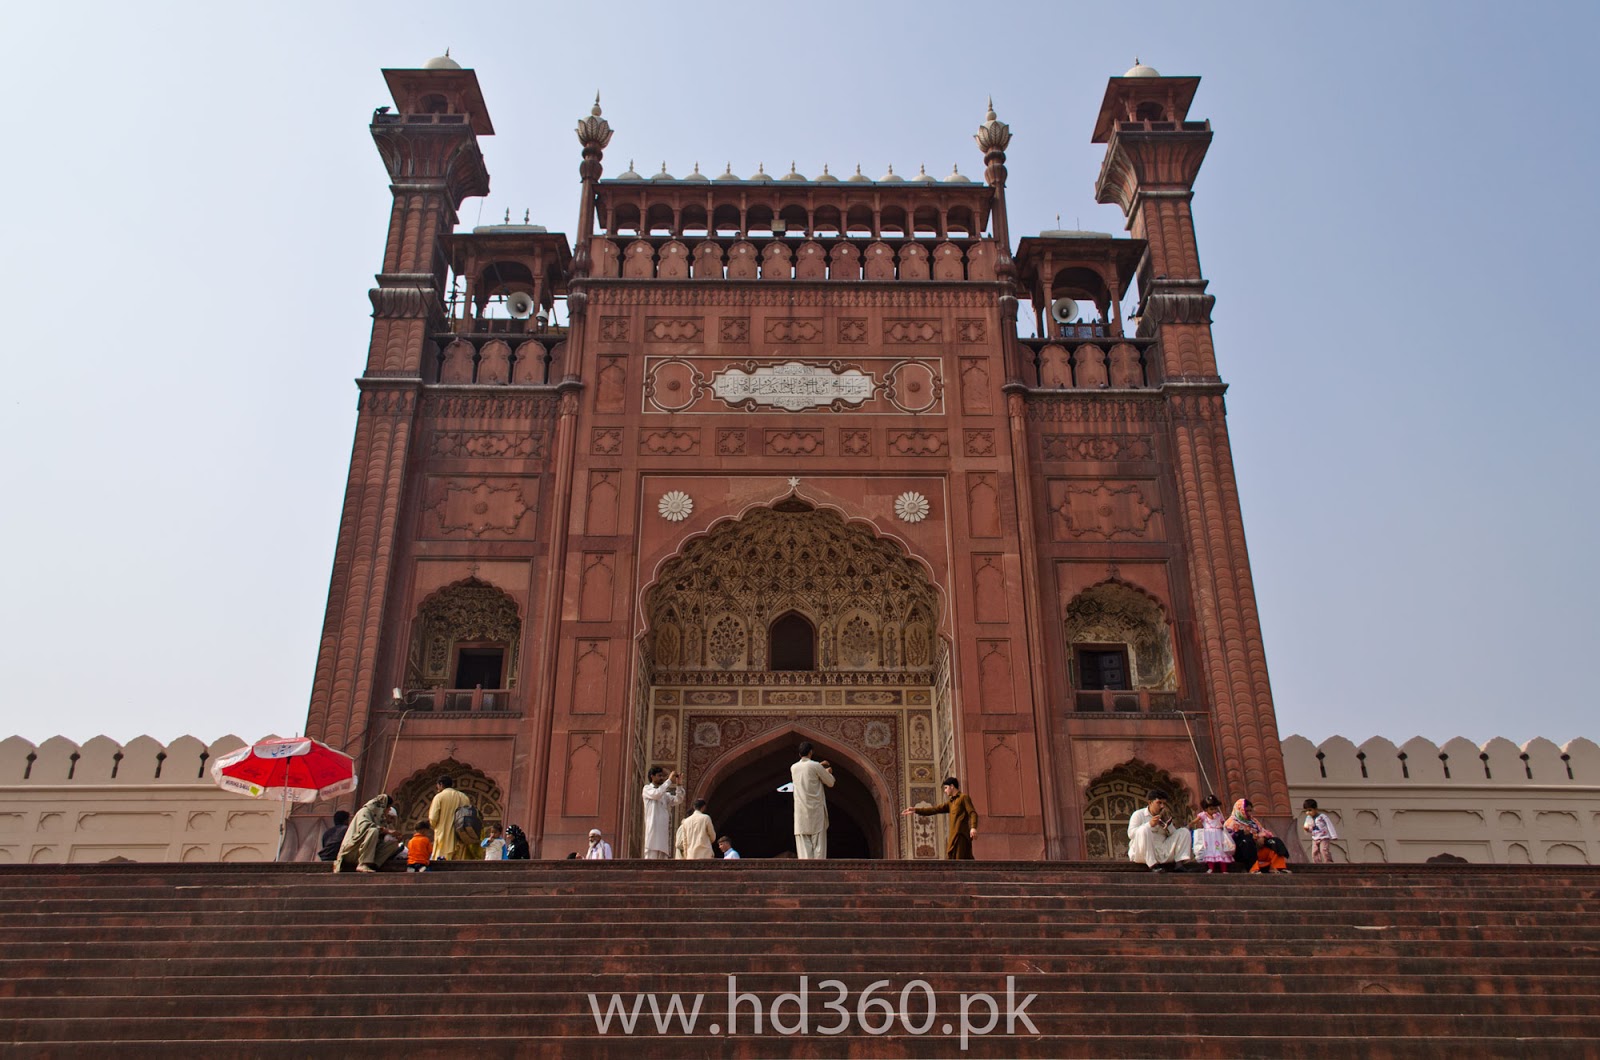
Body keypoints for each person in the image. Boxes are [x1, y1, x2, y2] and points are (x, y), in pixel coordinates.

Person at [901, 776, 979, 860]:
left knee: (960, 861)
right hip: (953, 836)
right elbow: (935, 809)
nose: (945, 791)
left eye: (946, 788)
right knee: (953, 860)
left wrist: (973, 827)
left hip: (961, 835)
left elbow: (972, 813)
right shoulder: (951, 803)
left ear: (952, 786)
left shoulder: (963, 798)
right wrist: (915, 810)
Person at [1127, 789, 1193, 872]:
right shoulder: (1138, 814)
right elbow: (1131, 834)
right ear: (1150, 802)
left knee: (1184, 831)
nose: (1162, 806)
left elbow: (1174, 835)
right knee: (1144, 829)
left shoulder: (1164, 816)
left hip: (1162, 851)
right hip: (1143, 853)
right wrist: (1149, 824)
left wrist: (1167, 825)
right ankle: (1153, 865)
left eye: (1164, 804)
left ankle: (1179, 864)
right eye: (1159, 803)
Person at [333, 794, 402, 873]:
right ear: (383, 807)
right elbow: (365, 827)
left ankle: (373, 865)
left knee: (393, 843)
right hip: (353, 849)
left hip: (368, 851)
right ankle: (363, 863)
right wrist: (387, 831)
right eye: (388, 807)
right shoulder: (365, 812)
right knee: (373, 831)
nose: (389, 810)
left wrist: (394, 836)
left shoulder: (380, 818)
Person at [1226, 798, 1290, 873]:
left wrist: (1262, 838)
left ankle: (1278, 867)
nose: (1249, 813)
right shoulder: (1230, 823)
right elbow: (1229, 840)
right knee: (1247, 840)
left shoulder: (1253, 821)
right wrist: (1243, 834)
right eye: (1247, 811)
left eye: (1250, 811)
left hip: (1258, 849)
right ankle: (1253, 868)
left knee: (1275, 841)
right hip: (1243, 852)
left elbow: (1264, 832)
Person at [427, 775, 479, 861]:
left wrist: (435, 826)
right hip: (461, 835)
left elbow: (433, 818)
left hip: (444, 835)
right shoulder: (463, 797)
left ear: (441, 784)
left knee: (442, 862)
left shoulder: (439, 797)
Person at [641, 766, 683, 860]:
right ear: (652, 776)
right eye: (659, 776)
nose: (662, 778)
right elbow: (656, 794)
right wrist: (669, 781)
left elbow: (678, 799)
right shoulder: (647, 789)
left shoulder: (665, 795)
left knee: (663, 858)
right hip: (652, 829)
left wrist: (679, 785)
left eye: (663, 776)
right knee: (651, 858)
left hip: (663, 831)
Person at [1190, 795, 1234, 873]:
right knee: (1210, 851)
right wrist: (1188, 825)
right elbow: (1195, 821)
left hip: (1218, 837)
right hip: (1209, 838)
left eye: (1215, 809)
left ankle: (1224, 869)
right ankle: (1211, 868)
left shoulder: (1218, 815)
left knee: (1220, 851)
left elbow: (1224, 823)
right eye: (1211, 809)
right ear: (1206, 809)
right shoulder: (1203, 815)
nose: (1214, 811)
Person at [1302, 799, 1338, 864]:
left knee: (1323, 850)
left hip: (1324, 837)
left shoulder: (1322, 817)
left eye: (1310, 810)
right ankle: (1317, 864)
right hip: (1315, 838)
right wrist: (1307, 829)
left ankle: (1329, 862)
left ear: (1316, 809)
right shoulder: (1308, 818)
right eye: (1306, 811)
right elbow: (1311, 829)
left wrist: (1333, 835)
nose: (1308, 812)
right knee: (1314, 852)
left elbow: (1329, 825)